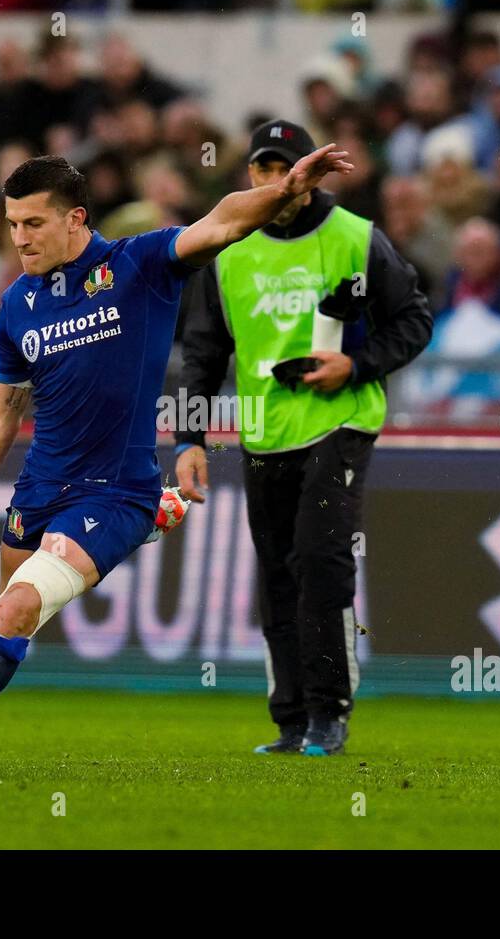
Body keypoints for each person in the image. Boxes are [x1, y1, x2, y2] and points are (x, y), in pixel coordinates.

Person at [0, 144, 354, 773]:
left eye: (33, 223)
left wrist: (285, 191)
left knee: (14, 613)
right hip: (41, 489)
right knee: (9, 614)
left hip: (113, 489)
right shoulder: (18, 304)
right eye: (11, 225)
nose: (20, 238)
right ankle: (155, 515)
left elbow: (224, 219)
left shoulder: (138, 265)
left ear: (75, 218)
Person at [174, 121, 433, 756]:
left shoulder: (354, 238)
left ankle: (329, 714)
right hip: (263, 434)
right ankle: (291, 721)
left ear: (310, 173)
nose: (272, 180)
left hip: (338, 421)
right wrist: (189, 439)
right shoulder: (228, 251)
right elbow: (203, 354)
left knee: (320, 560)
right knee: (278, 576)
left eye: (283, 167)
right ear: (249, 177)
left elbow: (414, 318)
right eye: (261, 168)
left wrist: (359, 364)